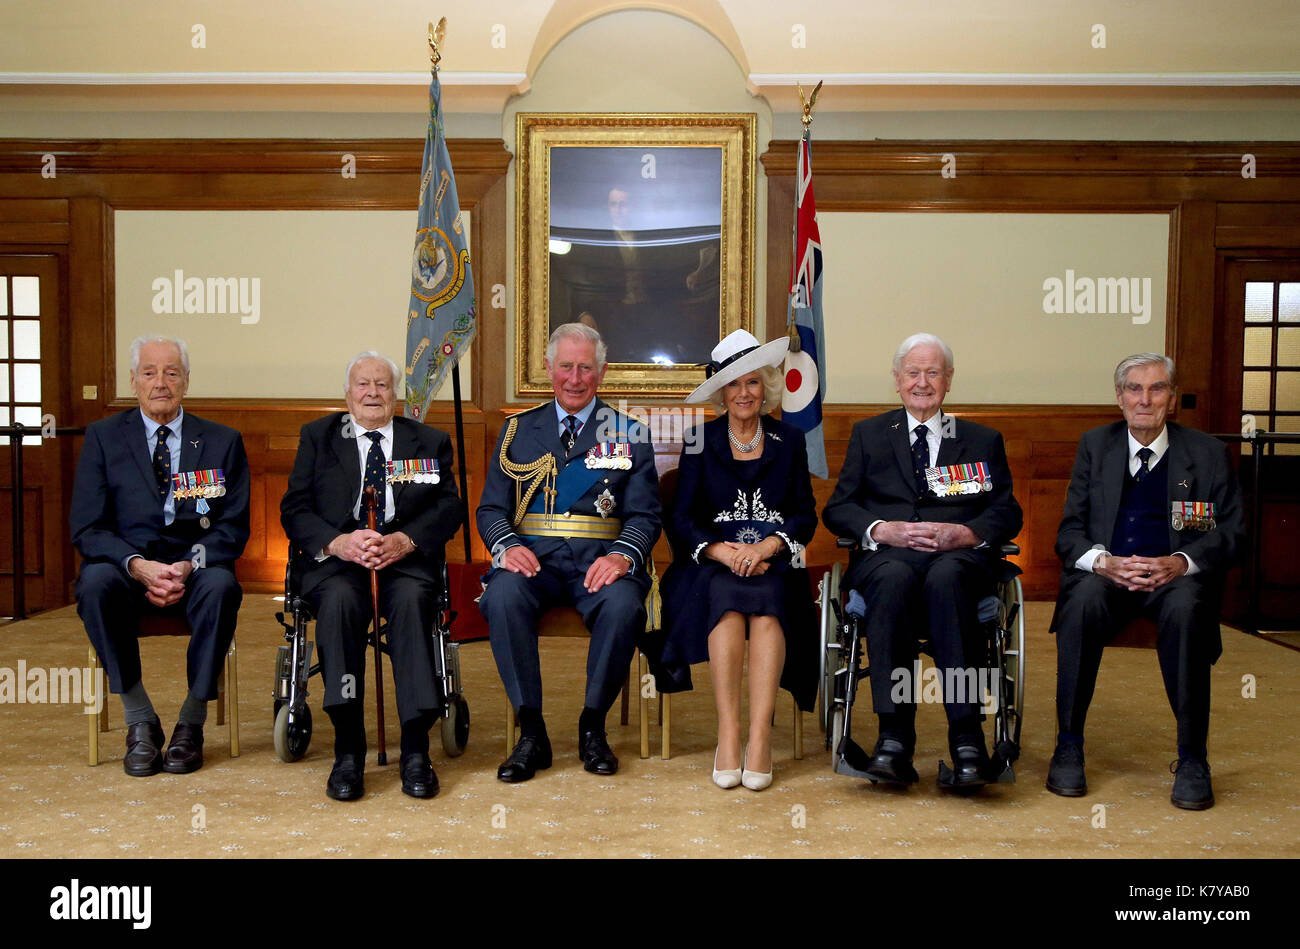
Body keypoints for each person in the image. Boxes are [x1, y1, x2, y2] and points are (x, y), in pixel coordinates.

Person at [822, 332, 1022, 788]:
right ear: (897, 381)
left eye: (933, 373)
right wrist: (880, 529)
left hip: (959, 561)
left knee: (947, 579)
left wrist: (967, 533)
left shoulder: (980, 439)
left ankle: (967, 739)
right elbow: (839, 507)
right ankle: (894, 740)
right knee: (892, 579)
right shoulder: (870, 435)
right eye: (913, 373)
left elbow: (1007, 511)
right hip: (890, 558)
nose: (922, 382)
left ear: (948, 381)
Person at [1048, 353, 1244, 809]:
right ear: (1119, 398)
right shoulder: (1096, 445)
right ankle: (1069, 746)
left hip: (1175, 578)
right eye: (1134, 389)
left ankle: (1193, 758)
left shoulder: (1208, 454)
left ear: (1172, 399)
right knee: (1081, 605)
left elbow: (1233, 535)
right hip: (1107, 574)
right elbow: (1068, 533)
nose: (1144, 399)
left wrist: (1180, 561)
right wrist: (1103, 562)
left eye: (1156, 389)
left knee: (1186, 609)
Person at [477, 322, 660, 782]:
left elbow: (645, 516)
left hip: (599, 562)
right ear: (548, 369)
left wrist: (622, 556)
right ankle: (531, 731)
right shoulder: (517, 429)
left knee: (623, 606)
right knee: (502, 596)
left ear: (601, 373)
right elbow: (491, 508)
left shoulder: (629, 433)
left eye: (585, 368)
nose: (574, 379)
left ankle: (592, 727)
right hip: (533, 558)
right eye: (565, 367)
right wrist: (506, 547)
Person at [280, 351, 462, 801]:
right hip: (339, 564)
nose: (372, 393)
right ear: (347, 394)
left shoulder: (429, 442)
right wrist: (338, 543)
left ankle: (416, 749)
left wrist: (404, 540)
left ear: (395, 394)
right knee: (340, 603)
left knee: (411, 604)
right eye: (363, 384)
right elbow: (295, 509)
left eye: (381, 385)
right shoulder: (318, 438)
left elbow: (448, 508)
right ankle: (349, 749)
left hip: (404, 563)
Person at [71, 336, 250, 777]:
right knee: (93, 584)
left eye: (172, 373)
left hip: (195, 569)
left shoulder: (222, 441)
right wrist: (138, 566)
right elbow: (88, 527)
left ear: (186, 382)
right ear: (133, 381)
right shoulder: (103, 437)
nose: (161, 383)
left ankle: (191, 723)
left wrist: (189, 564)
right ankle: (140, 720)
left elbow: (233, 526)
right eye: (149, 372)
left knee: (223, 585)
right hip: (128, 571)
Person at [652, 329, 818, 791]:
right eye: (733, 385)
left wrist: (766, 548)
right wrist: (723, 552)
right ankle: (729, 733)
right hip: (710, 565)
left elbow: (805, 513)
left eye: (752, 383)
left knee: (768, 600)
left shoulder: (790, 439)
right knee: (725, 596)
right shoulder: (699, 441)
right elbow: (681, 516)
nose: (744, 393)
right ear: (722, 393)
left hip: (774, 563)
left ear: (766, 386)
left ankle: (759, 736)